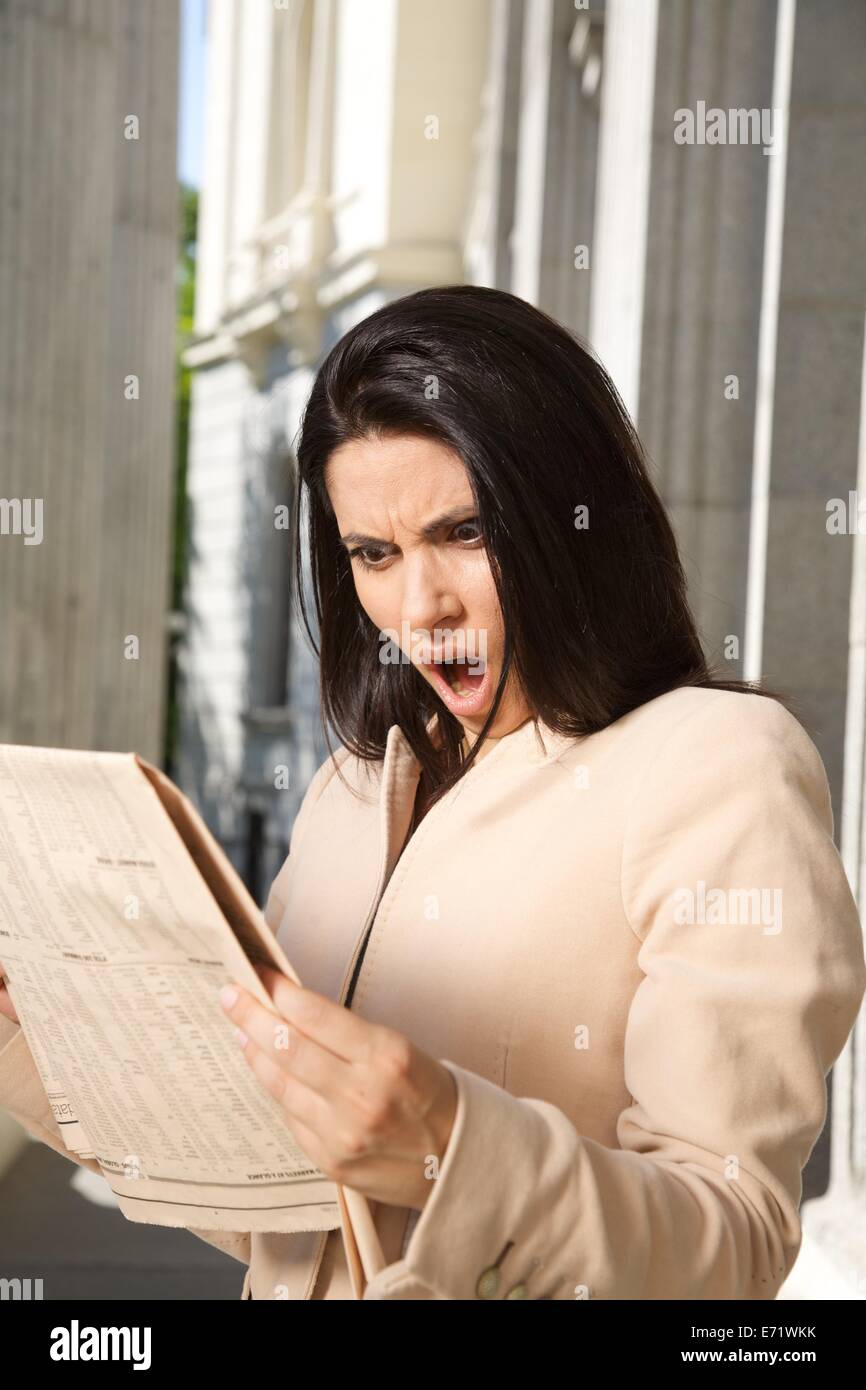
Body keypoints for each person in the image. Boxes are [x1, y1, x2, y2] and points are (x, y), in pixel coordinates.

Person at [2, 284, 865, 1301]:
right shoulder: (353, 787)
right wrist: (30, 1033)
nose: (419, 606)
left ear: (570, 520)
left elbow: (732, 1244)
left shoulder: (716, 766)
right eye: (373, 553)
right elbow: (280, 1211)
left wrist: (448, 1144)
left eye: (464, 532)